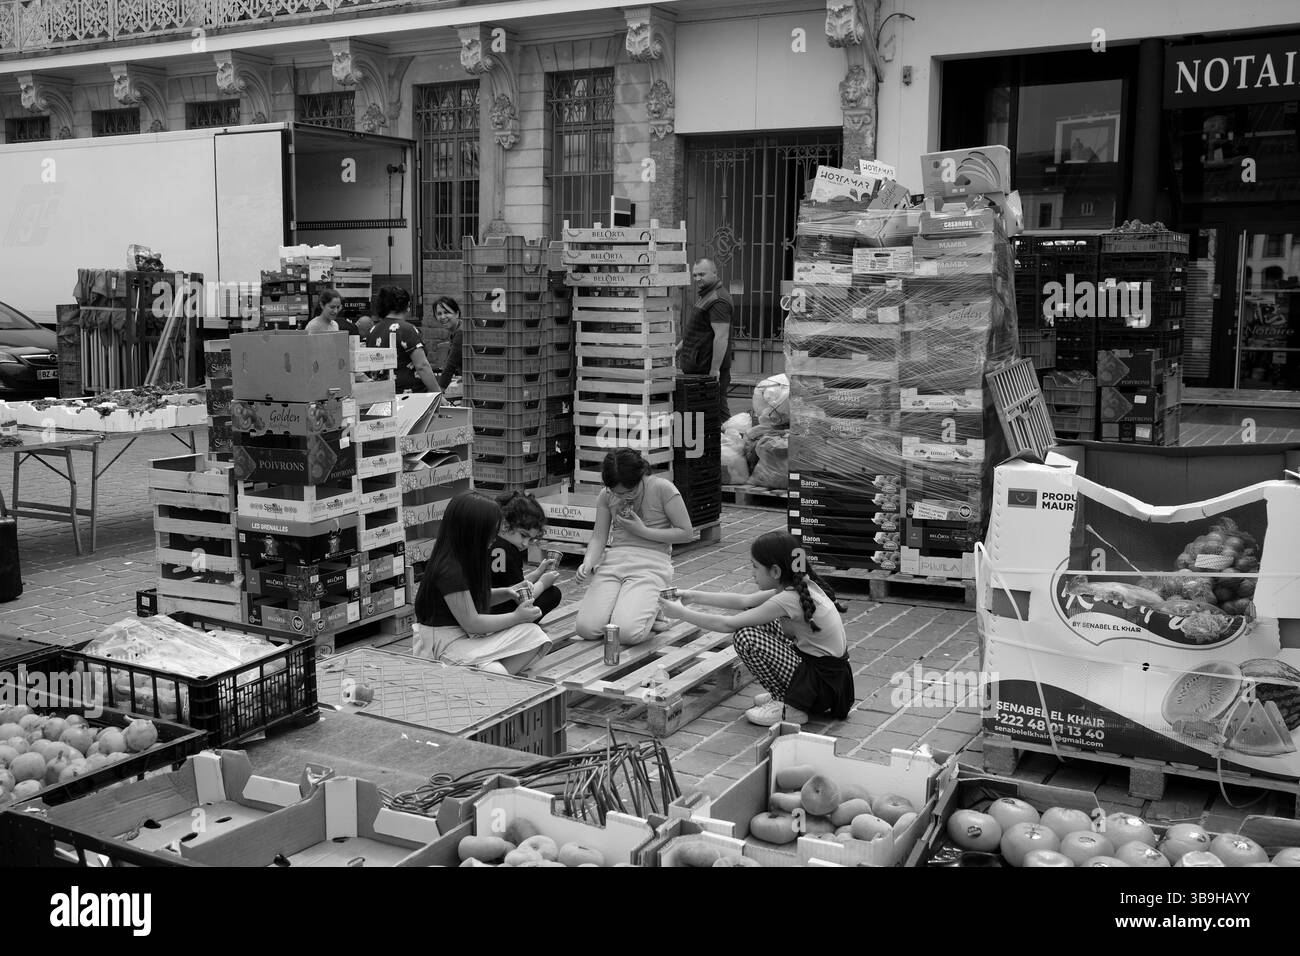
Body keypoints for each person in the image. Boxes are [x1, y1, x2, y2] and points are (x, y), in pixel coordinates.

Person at [658, 531, 853, 727]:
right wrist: (692, 596)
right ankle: (792, 698)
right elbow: (745, 601)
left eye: (755, 566)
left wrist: (681, 613)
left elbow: (727, 625)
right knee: (758, 617)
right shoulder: (799, 585)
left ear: (775, 572)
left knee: (746, 636)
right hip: (830, 681)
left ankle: (790, 707)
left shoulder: (788, 598)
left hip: (821, 685)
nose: (752, 573)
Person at [412, 493, 552, 675]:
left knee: (534, 635)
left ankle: (478, 671)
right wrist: (517, 616)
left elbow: (472, 599)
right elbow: (472, 622)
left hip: (466, 639)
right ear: (473, 531)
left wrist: (508, 592)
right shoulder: (449, 568)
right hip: (442, 645)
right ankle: (481, 673)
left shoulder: (467, 557)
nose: (495, 537)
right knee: (496, 671)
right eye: (491, 532)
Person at [575, 448, 694, 646]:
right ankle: (637, 607)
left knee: (626, 634)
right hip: (614, 561)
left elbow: (686, 533)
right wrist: (587, 563)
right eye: (617, 492)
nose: (624, 497)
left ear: (641, 476)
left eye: (630, 491)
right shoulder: (606, 496)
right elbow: (599, 537)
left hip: (651, 564)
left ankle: (656, 608)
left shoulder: (663, 488)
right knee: (586, 629)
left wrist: (642, 531)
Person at [488, 491, 564, 621]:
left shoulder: (493, 542)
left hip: (486, 606)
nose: (525, 544)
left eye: (530, 539)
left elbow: (513, 584)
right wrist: (542, 583)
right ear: (506, 526)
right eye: (523, 535)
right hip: (500, 613)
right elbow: (521, 597)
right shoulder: (507, 550)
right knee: (553, 593)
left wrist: (537, 572)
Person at [679, 258, 734, 425]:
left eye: (702, 274)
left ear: (715, 273)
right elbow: (698, 331)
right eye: (694, 275)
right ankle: (727, 441)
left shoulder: (718, 300)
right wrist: (678, 348)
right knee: (708, 412)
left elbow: (721, 336)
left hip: (706, 369)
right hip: (699, 367)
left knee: (717, 411)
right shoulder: (706, 295)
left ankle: (732, 442)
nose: (697, 279)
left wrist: (714, 370)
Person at [363, 285, 441, 393]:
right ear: (407, 305)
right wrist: (437, 393)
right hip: (408, 397)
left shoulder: (373, 330)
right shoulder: (407, 329)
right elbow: (422, 365)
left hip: (381, 393)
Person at [431, 296, 464, 392]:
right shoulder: (457, 330)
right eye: (439, 314)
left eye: (447, 312)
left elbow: (450, 365)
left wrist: (438, 393)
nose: (442, 317)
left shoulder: (460, 333)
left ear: (457, 314)